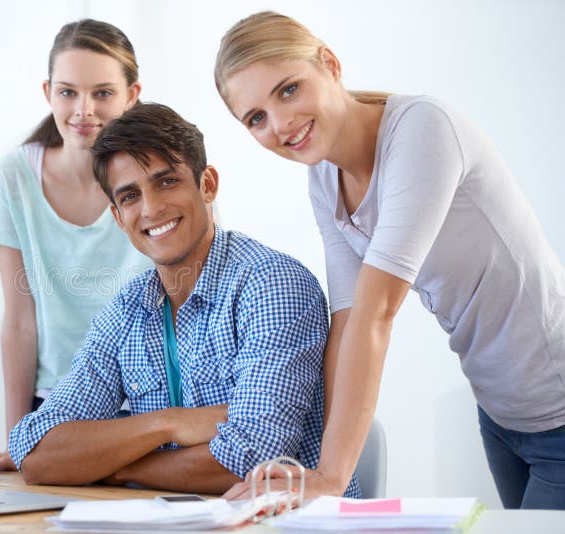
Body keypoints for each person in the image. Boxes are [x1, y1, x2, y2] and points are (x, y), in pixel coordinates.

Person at [214, 11, 565, 509]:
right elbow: (349, 318)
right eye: (256, 118)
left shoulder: (422, 129)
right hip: (499, 413)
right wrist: (323, 470)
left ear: (329, 64)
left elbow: (378, 311)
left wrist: (332, 476)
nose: (280, 124)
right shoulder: (322, 178)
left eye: (288, 89)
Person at [7, 103, 360, 496]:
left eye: (167, 182)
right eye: (130, 197)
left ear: (207, 184)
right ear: (118, 217)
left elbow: (251, 459)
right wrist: (169, 423)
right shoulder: (126, 311)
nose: (151, 208)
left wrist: (112, 468)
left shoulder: (272, 286)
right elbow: (35, 452)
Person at [0, 19, 151, 470]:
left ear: (131, 95)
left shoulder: (157, 178)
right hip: (56, 411)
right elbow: (20, 322)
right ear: (47, 92)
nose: (84, 110)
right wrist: (18, 443)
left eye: (103, 92)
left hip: (148, 405)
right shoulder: (12, 180)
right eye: (68, 92)